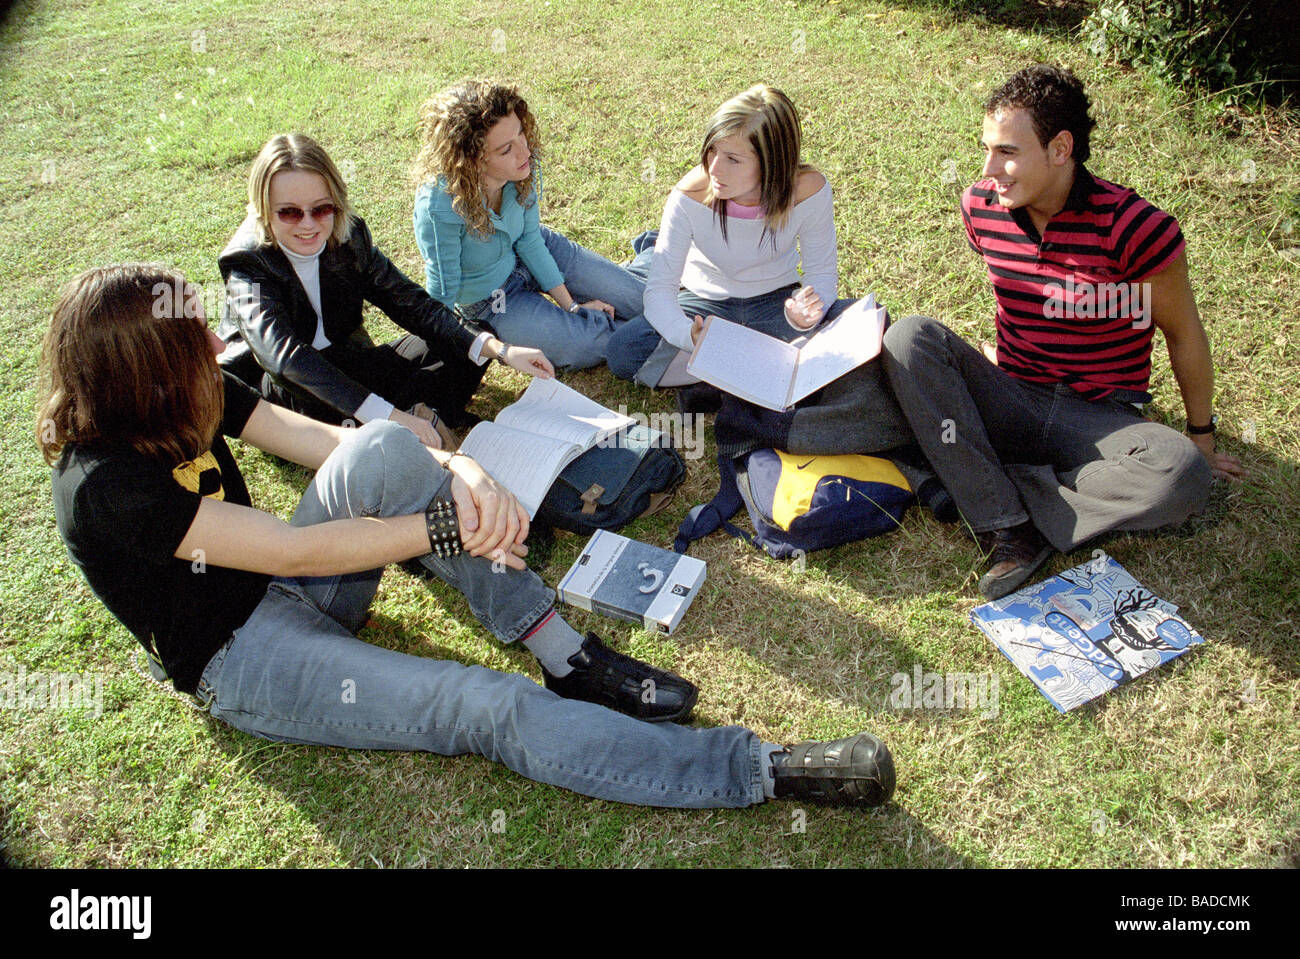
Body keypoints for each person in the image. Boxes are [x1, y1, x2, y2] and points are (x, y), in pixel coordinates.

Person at [39, 263, 896, 810]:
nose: (215, 348)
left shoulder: (179, 387)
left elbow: (327, 444)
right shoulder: (105, 488)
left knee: (383, 444)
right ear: (142, 375)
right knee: (480, 706)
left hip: (285, 578)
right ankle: (756, 768)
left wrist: (462, 472)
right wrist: (443, 519)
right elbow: (294, 552)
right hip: (241, 652)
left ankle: (563, 650)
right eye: (193, 339)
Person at [881, 65, 1247, 600]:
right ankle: (1007, 522)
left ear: (1060, 148)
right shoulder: (982, 207)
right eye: (986, 149)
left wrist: (1201, 435)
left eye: (1006, 151)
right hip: (1012, 392)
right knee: (906, 338)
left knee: (1180, 475)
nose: (990, 169)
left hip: (1099, 420)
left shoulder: (1135, 227)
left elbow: (1183, 332)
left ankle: (993, 489)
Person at [218, 133, 553, 450]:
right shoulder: (247, 262)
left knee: (473, 341)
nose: (308, 224)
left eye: (321, 209)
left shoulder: (348, 235)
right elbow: (284, 359)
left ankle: (402, 419)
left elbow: (412, 304)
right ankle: (399, 418)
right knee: (353, 401)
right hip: (292, 390)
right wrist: (387, 413)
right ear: (263, 207)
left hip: (350, 361)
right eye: (289, 212)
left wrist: (502, 351)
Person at [605, 83, 849, 392]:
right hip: (706, 306)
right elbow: (658, 294)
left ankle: (728, 371)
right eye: (712, 150)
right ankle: (766, 366)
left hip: (776, 303)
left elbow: (822, 275)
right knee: (625, 350)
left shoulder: (807, 191)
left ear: (772, 161)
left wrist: (804, 318)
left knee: (863, 320)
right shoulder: (690, 196)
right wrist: (688, 336)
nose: (715, 167)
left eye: (733, 159)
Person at [412, 80, 646, 371]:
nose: (525, 152)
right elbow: (442, 289)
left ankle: (648, 267)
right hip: (493, 299)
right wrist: (449, 345)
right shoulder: (440, 205)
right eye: (506, 149)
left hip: (535, 249)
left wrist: (571, 305)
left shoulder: (521, 165)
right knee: (590, 345)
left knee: (642, 301)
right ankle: (649, 327)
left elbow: (531, 242)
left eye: (521, 132)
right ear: (471, 159)